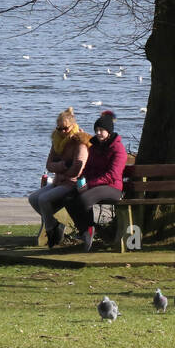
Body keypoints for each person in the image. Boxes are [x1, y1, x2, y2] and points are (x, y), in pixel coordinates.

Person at [64, 110, 128, 252]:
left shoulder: (118, 149)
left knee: (84, 199)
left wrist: (89, 185)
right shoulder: (94, 147)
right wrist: (82, 180)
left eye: (101, 130)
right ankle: (85, 231)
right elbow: (88, 168)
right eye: (96, 130)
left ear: (109, 132)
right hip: (94, 185)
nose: (98, 133)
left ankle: (90, 230)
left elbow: (112, 175)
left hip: (112, 188)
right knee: (68, 198)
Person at [28, 107, 90, 248]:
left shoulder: (80, 142)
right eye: (59, 128)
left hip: (72, 184)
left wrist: (60, 168)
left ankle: (51, 231)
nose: (62, 132)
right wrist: (63, 165)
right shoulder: (56, 141)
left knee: (44, 199)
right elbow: (49, 165)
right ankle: (56, 224)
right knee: (33, 198)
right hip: (58, 182)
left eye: (65, 129)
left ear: (72, 126)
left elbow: (76, 169)